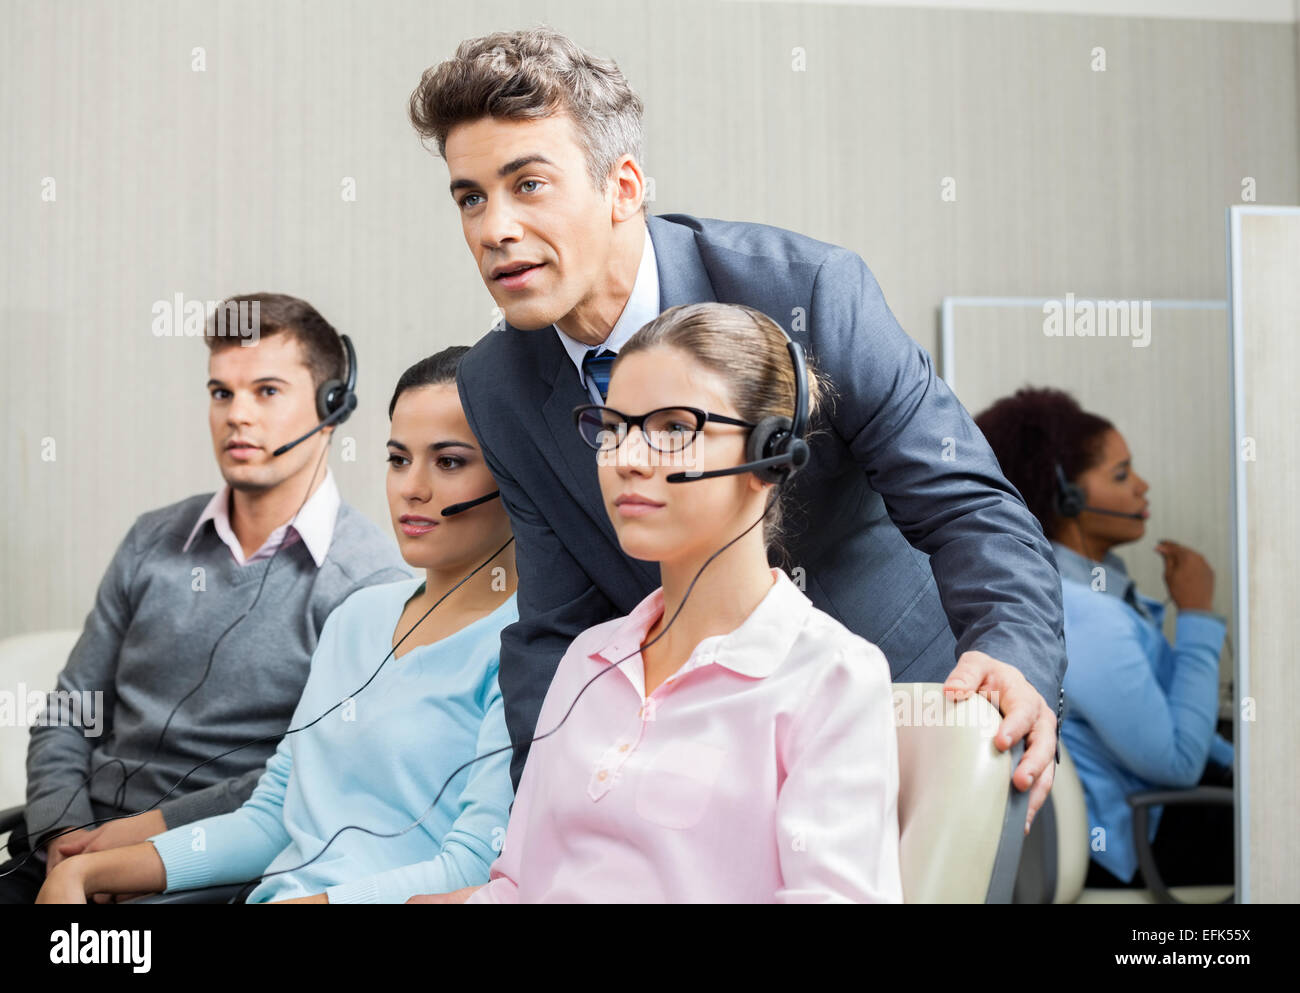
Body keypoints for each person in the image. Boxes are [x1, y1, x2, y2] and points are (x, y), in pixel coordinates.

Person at [408, 26, 1067, 831]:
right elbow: (558, 626)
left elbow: (969, 506)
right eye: (470, 196)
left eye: (528, 184)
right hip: (703, 779)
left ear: (623, 187)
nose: (492, 229)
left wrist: (1009, 649)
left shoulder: (810, 293)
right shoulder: (497, 383)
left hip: (914, 727)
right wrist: (544, 836)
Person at [411, 303, 901, 904]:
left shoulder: (830, 677)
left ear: (771, 454)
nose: (626, 458)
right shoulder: (589, 659)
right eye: (613, 428)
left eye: (673, 429)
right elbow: (519, 884)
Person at [36, 347, 519, 904]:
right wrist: (90, 873)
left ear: (517, 473)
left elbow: (473, 866)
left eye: (450, 461)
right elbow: (271, 818)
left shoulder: (526, 647)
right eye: (397, 458)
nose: (412, 487)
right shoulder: (358, 618)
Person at [0, 294, 409, 904]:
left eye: (267, 391)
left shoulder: (369, 585)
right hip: (72, 851)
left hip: (203, 873)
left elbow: (306, 782)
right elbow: (69, 713)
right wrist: (65, 830)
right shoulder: (151, 540)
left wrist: (130, 857)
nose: (236, 415)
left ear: (331, 406)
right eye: (221, 393)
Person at [975, 386, 1233, 888]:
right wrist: (1199, 613)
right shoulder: (1087, 612)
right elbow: (1178, 763)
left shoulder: (1069, 587)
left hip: (1142, 826)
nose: (1143, 486)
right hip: (1136, 847)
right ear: (1065, 496)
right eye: (1121, 474)